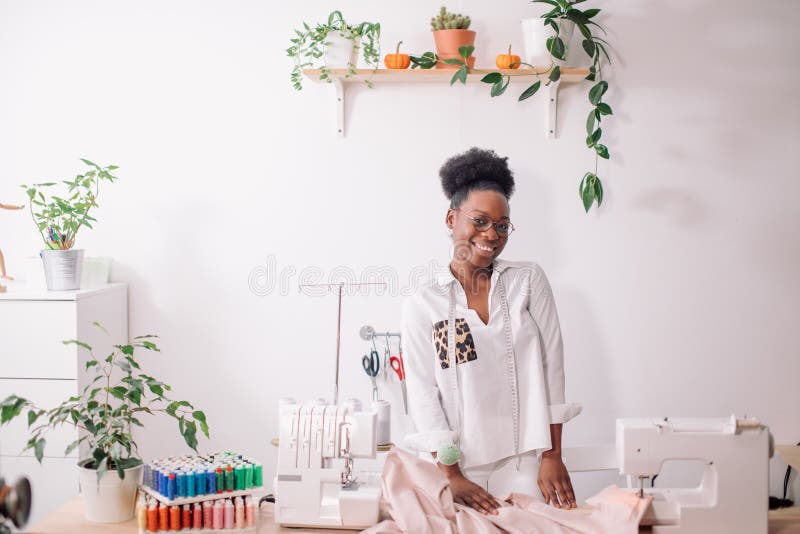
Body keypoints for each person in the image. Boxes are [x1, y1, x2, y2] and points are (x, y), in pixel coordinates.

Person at [401, 147, 581, 515]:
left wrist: (552, 455)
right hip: (456, 462)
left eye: (502, 225)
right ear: (452, 218)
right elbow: (422, 391)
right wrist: (451, 474)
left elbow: (553, 369)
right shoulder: (424, 303)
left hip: (525, 458)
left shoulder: (527, 282)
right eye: (480, 221)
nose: (492, 234)